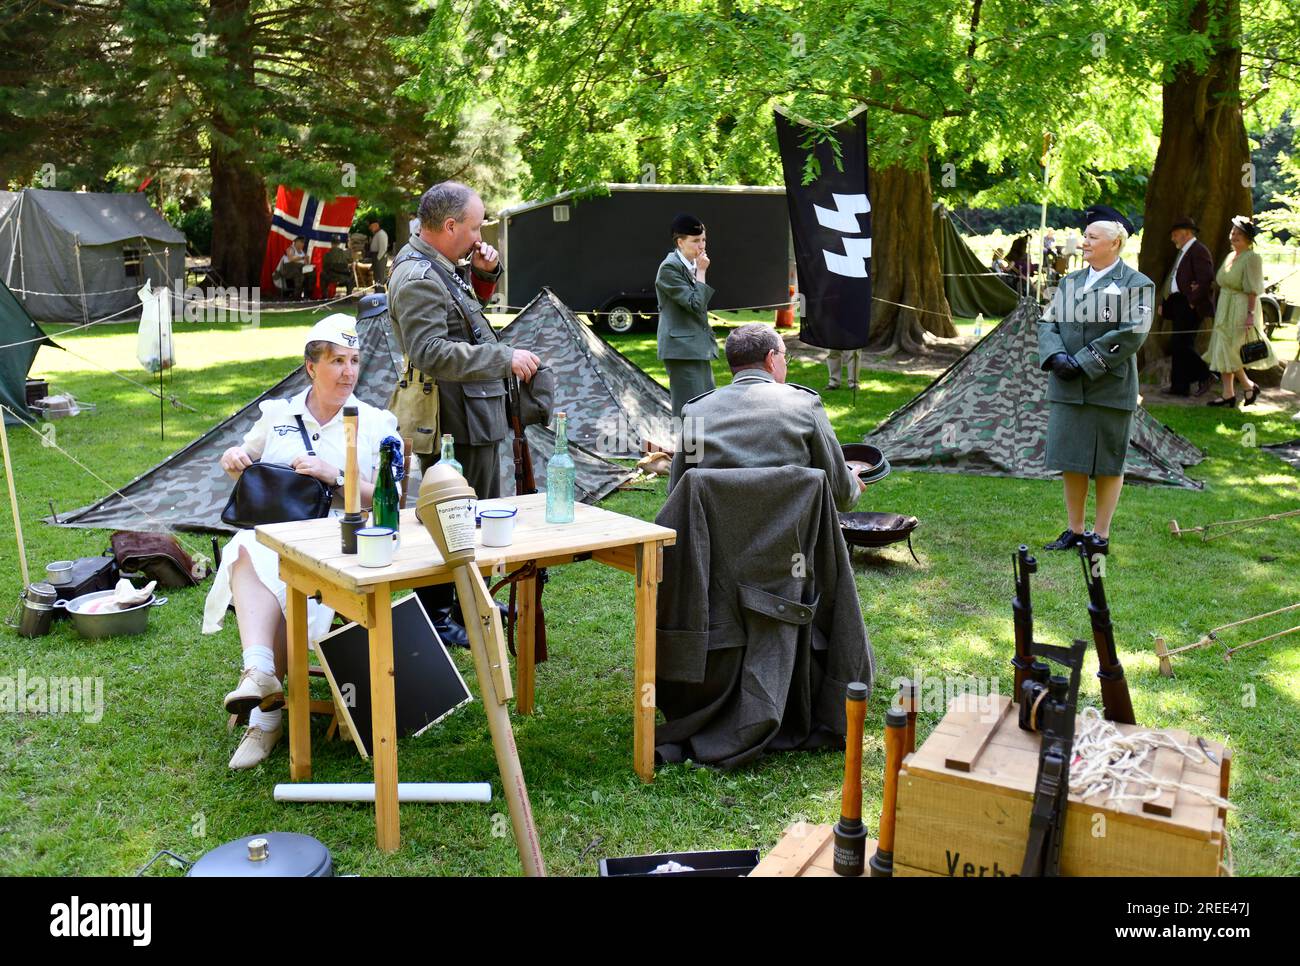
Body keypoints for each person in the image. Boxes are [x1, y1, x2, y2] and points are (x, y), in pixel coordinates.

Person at [202, 315, 399, 769]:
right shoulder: (278, 415)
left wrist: (338, 475)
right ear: (311, 367)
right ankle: (262, 673)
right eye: (336, 361)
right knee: (246, 547)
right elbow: (245, 459)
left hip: (341, 535)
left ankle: (266, 709)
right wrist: (234, 458)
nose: (348, 372)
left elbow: (394, 496)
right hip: (274, 531)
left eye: (353, 361)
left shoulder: (373, 422)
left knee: (272, 563)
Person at [386, 180, 540, 643]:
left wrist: (483, 276)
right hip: (453, 418)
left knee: (474, 514)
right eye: (474, 228)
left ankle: (471, 602)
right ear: (449, 225)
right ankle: (441, 616)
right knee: (452, 517)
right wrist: (503, 358)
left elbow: (465, 320)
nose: (480, 237)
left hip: (473, 411)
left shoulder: (440, 265)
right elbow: (431, 350)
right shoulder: (417, 276)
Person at [1038, 204, 1154, 556]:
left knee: (1107, 462)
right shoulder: (1070, 281)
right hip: (1067, 386)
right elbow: (1048, 322)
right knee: (1072, 459)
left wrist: (1086, 361)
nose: (1083, 242)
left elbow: (1133, 332)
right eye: (1084, 237)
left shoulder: (1137, 284)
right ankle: (1075, 530)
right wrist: (1056, 355)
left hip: (1109, 387)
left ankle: (1099, 536)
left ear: (1115, 243)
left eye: (1091, 237)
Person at [669, 322, 863, 513]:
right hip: (795, 541)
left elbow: (677, 493)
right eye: (784, 356)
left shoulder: (696, 412)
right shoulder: (805, 404)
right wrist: (852, 483)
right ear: (771, 358)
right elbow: (841, 496)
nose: (785, 362)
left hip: (713, 542)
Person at [1202, 216, 1277, 407]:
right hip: (1225, 305)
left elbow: (1253, 289)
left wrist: (1250, 315)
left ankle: (1248, 385)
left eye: (1239, 234)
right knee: (1222, 348)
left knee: (1231, 350)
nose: (1234, 236)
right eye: (1233, 232)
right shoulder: (1230, 256)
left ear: (1248, 238)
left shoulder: (1252, 258)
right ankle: (1229, 394)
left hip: (1241, 307)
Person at [656, 213, 717, 418]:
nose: (701, 246)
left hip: (697, 347)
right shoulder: (669, 268)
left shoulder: (688, 265)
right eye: (695, 241)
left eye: (703, 240)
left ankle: (703, 449)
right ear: (680, 242)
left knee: (707, 404)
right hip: (681, 350)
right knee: (686, 408)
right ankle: (685, 450)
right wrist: (701, 273)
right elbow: (696, 304)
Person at [1158, 216, 1215, 397]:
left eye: (1175, 235)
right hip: (1178, 303)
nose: (1172, 238)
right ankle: (1180, 386)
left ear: (1187, 233)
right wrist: (1165, 304)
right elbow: (1175, 279)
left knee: (1182, 344)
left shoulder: (1199, 250)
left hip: (1189, 305)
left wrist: (1192, 301)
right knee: (1178, 345)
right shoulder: (1183, 252)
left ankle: (1206, 375)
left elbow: (1205, 279)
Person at [368, 219, 390, 287]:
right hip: (377, 256)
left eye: (371, 227)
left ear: (376, 225)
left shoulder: (381, 234)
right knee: (377, 276)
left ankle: (380, 291)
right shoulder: (377, 234)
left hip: (380, 256)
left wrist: (378, 258)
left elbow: (383, 248)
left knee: (380, 277)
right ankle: (378, 290)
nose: (370, 229)